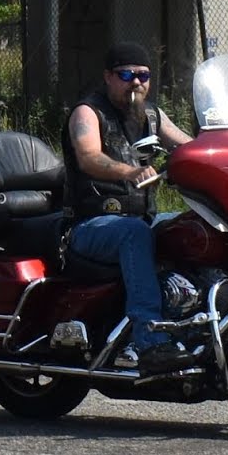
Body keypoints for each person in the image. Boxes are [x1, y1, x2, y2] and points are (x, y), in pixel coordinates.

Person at [60, 42, 195, 375]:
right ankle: (149, 340)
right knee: (134, 233)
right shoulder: (88, 113)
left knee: (193, 227)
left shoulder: (151, 115)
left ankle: (198, 328)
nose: (136, 82)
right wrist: (130, 172)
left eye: (143, 75)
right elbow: (89, 157)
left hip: (142, 219)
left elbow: (189, 146)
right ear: (108, 76)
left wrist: (223, 153)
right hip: (90, 224)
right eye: (126, 75)